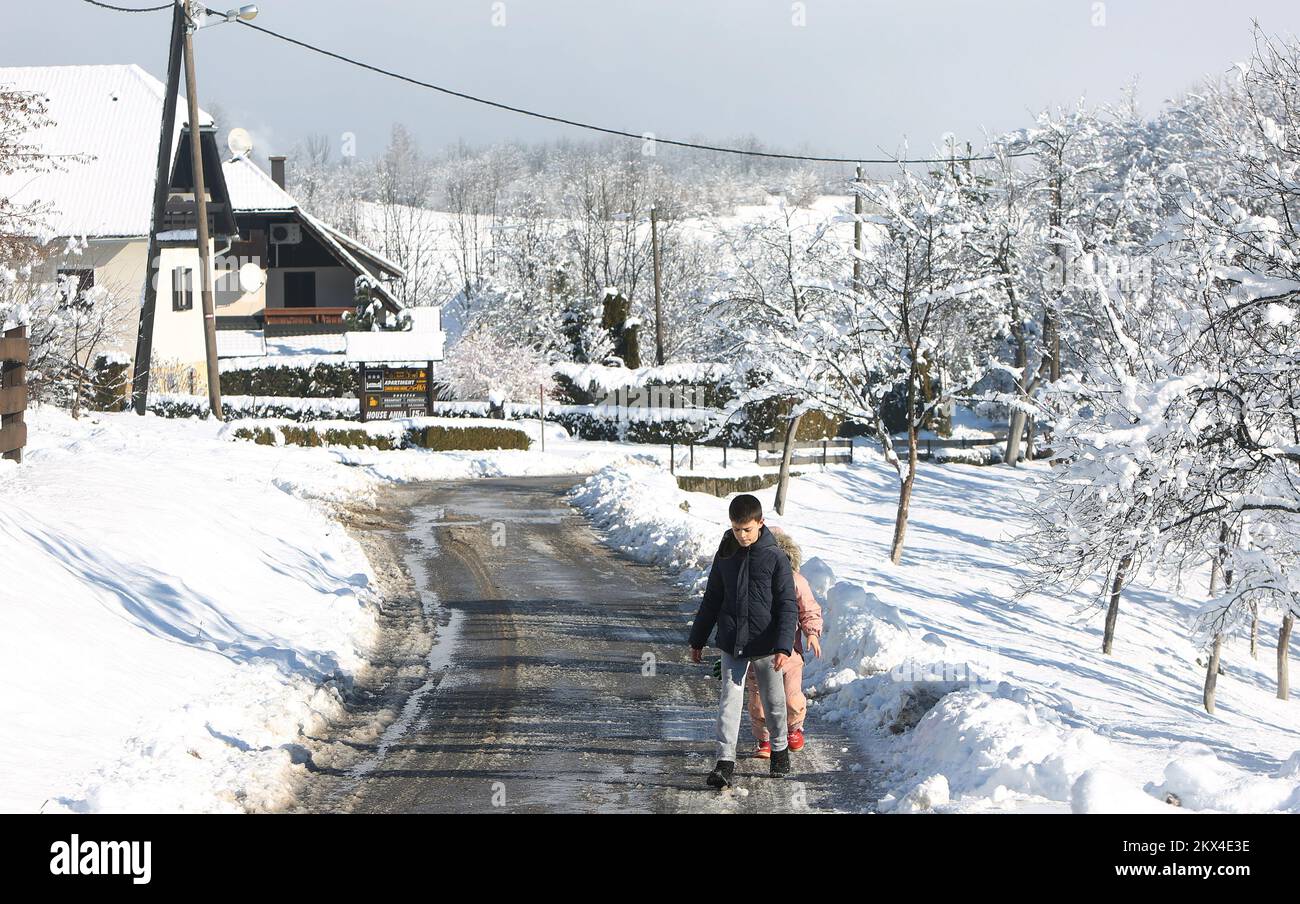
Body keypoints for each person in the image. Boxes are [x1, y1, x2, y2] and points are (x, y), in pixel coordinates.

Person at [689, 494, 799, 787]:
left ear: (760, 523)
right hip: (732, 639)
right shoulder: (725, 553)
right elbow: (712, 597)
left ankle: (779, 750)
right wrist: (698, 638)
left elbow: (788, 604)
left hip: (766, 643)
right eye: (737, 529)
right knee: (730, 698)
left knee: (774, 701)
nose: (742, 535)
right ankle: (725, 762)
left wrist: (783, 645)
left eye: (747, 529)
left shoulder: (775, 557)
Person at [745, 528, 822, 758]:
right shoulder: (751, 580)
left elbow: (808, 609)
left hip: (790, 653)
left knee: (791, 698)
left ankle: (794, 727)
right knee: (759, 701)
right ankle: (765, 738)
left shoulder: (796, 581)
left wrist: (812, 633)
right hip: (757, 651)